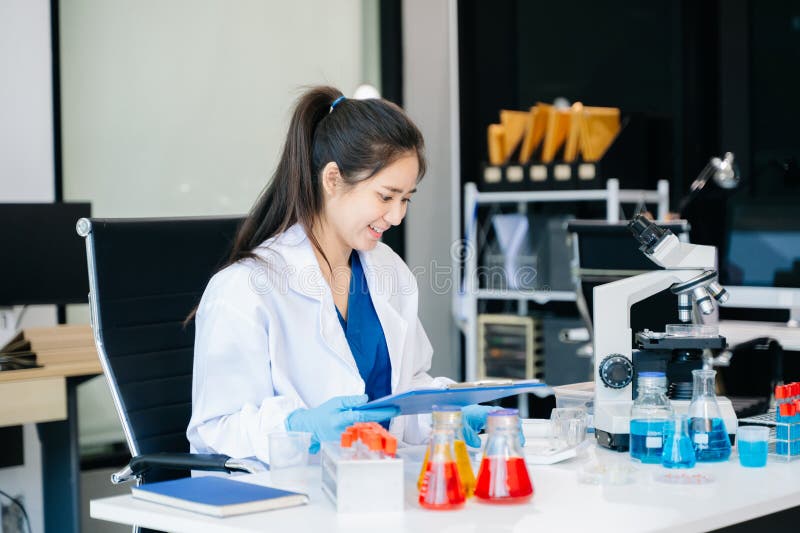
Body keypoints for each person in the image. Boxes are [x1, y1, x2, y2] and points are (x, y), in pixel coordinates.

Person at [187, 86, 495, 463]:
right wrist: (299, 427)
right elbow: (216, 428)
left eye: (406, 199)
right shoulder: (244, 289)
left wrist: (443, 413)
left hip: (374, 489)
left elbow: (405, 390)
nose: (397, 216)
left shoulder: (389, 271)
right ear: (332, 179)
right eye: (385, 196)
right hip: (287, 502)